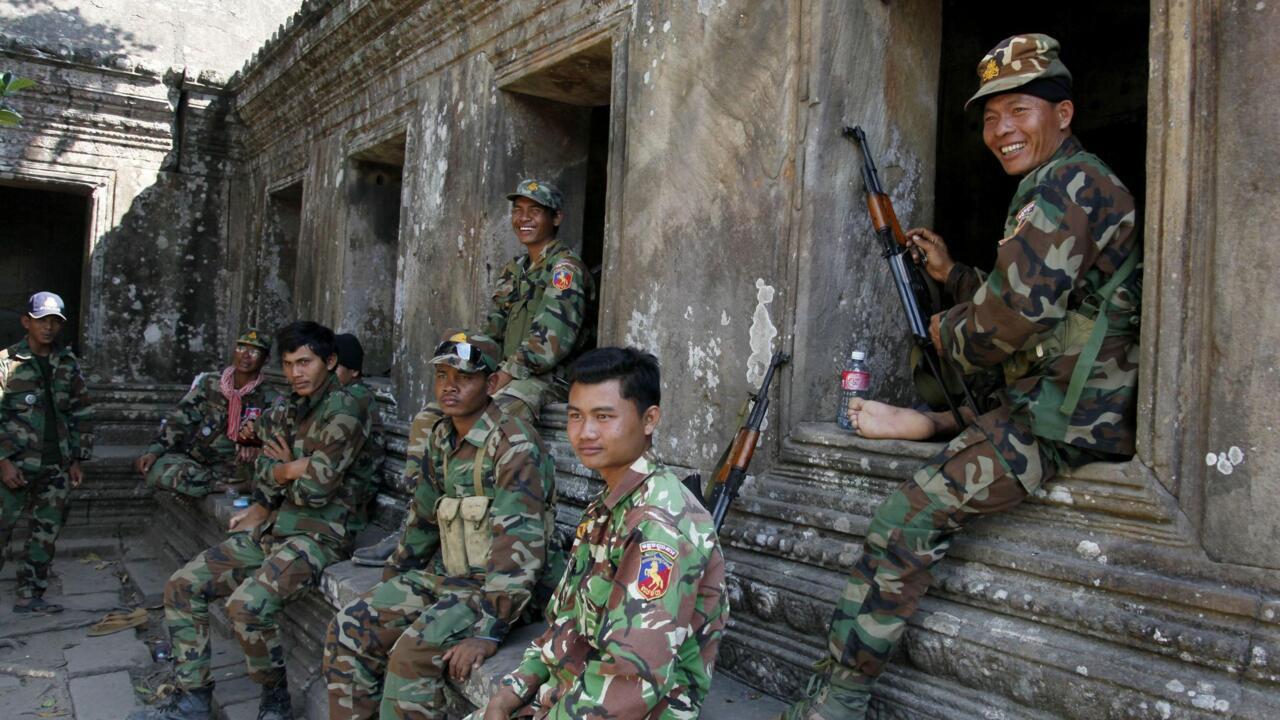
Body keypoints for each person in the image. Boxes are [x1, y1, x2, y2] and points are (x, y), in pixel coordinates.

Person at [782, 34, 1142, 719]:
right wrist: (953, 277)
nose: (1001, 129)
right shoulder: (1063, 181)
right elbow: (1045, 302)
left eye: (1019, 111)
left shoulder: (1070, 184)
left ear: (1063, 114)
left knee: (907, 516)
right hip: (1053, 399)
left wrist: (935, 333)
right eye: (989, 117)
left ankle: (835, 702)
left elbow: (1005, 324)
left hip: (1063, 418)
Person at [129, 321, 373, 720]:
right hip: (273, 527)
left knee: (247, 605)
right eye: (290, 363)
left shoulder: (345, 408)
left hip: (318, 536)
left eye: (306, 362)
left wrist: (283, 470)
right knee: (182, 586)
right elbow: (261, 472)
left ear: (329, 362)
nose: (296, 372)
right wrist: (287, 469)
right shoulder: (286, 407)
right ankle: (192, 700)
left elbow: (318, 491)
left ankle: (275, 700)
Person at [477, 347, 729, 719]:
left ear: (649, 420)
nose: (585, 432)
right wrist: (511, 691)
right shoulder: (610, 502)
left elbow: (630, 680)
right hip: (568, 692)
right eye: (576, 416)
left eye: (604, 416)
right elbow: (566, 621)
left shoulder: (658, 525)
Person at [323, 331, 557, 720]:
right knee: (350, 627)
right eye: (442, 376)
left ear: (492, 383)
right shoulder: (442, 437)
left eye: (463, 377)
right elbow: (422, 520)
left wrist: (489, 630)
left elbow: (520, 546)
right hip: (451, 578)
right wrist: (393, 581)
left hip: (503, 589)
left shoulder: (513, 444)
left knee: (411, 655)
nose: (449, 386)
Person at [0, 291, 92, 614]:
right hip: (15, 465)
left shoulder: (67, 364)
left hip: (55, 465)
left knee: (45, 533)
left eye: (55, 321)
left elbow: (80, 412)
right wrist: (3, 461)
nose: (49, 327)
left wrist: (77, 458)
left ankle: (30, 594)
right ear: (27, 322)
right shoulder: (6, 363)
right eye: (42, 320)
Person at [482, 178, 595, 421]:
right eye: (518, 210)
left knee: (496, 415)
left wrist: (506, 374)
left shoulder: (564, 269)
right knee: (443, 411)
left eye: (534, 211)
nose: (523, 218)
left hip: (552, 377)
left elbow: (550, 341)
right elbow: (494, 330)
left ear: (556, 218)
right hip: (512, 372)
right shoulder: (516, 268)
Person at [134, 329, 281, 497]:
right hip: (197, 462)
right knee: (157, 468)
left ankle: (222, 485)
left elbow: (276, 443)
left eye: (254, 352)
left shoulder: (271, 399)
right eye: (241, 349)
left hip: (235, 469)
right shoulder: (211, 383)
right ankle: (221, 487)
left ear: (266, 359)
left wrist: (257, 444)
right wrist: (155, 450)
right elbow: (180, 419)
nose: (245, 356)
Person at [334, 333, 387, 533]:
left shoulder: (353, 399)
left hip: (348, 501)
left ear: (354, 371)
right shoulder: (341, 395)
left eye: (335, 367)